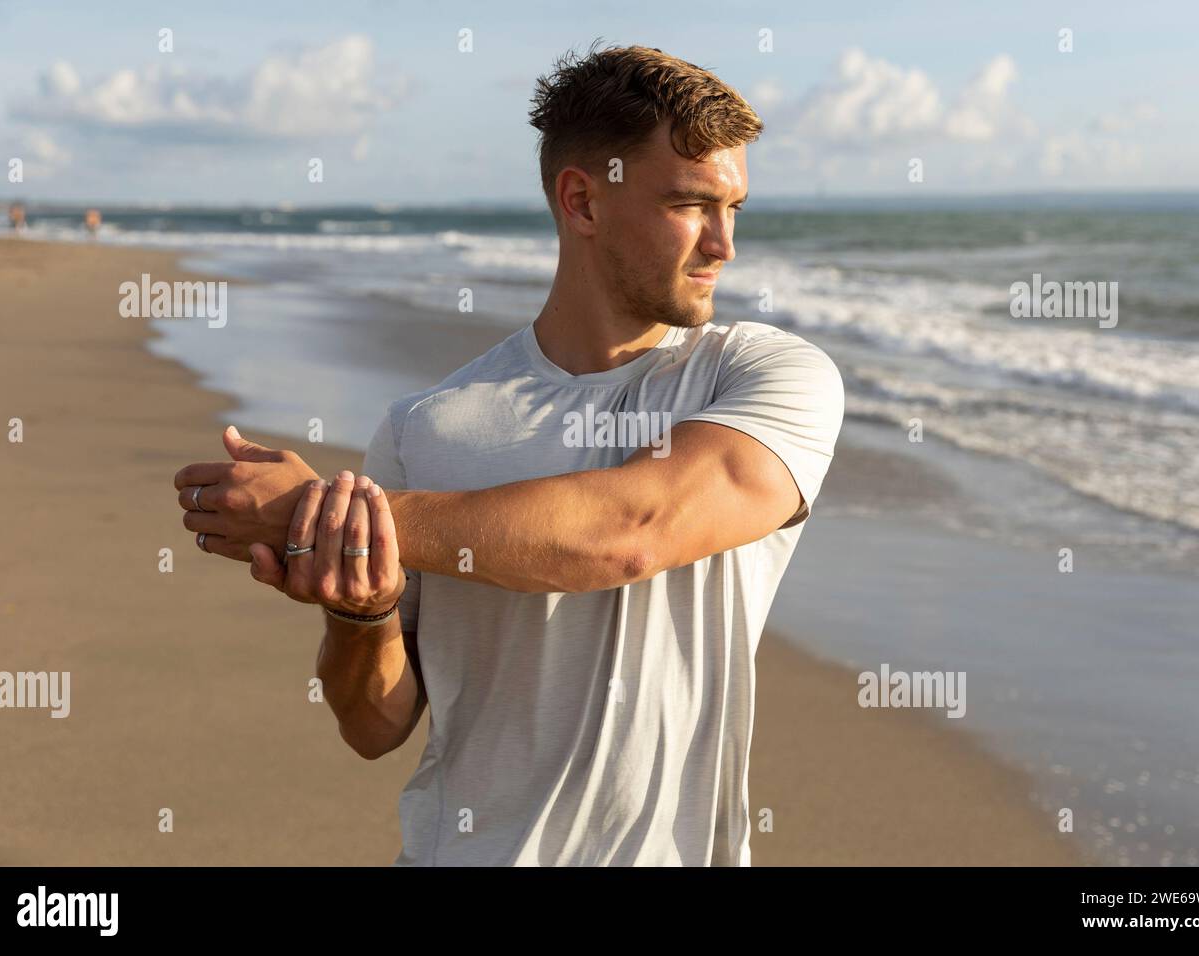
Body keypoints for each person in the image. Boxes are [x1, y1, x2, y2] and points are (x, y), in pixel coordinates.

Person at [174, 43, 844, 866]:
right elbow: (374, 725)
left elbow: (632, 530)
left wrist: (335, 520)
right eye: (693, 204)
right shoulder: (428, 427)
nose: (724, 245)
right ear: (583, 201)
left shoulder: (761, 377)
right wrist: (361, 607)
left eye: (735, 208)